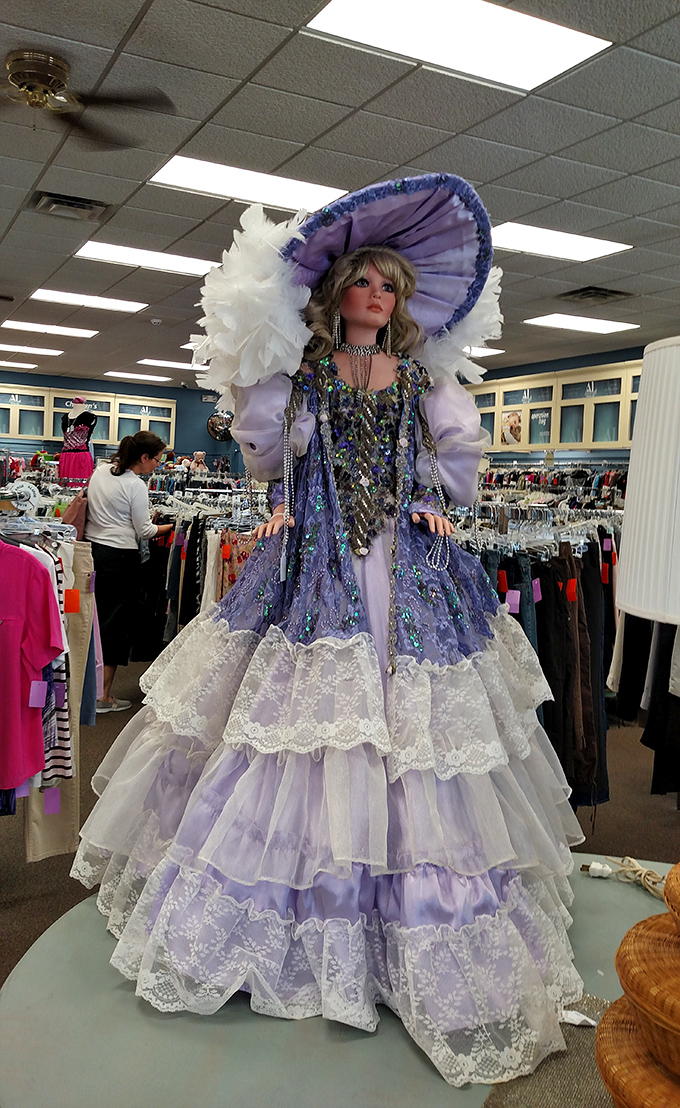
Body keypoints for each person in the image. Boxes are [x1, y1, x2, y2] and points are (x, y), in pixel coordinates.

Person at [71, 175, 584, 1086]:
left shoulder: (421, 377)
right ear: (337, 291)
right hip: (314, 555)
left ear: (400, 302)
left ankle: (413, 914)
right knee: (298, 717)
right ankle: (305, 903)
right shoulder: (300, 375)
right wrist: (273, 505)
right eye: (363, 283)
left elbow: (437, 460)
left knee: (418, 726)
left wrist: (430, 503)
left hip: (404, 556)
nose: (375, 299)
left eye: (389, 287)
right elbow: (277, 455)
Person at [84, 431, 173, 713]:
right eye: (157, 460)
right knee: (115, 624)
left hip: (93, 553)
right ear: (144, 457)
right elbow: (144, 531)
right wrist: (173, 527)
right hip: (121, 559)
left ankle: (89, 689)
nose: (157, 466)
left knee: (95, 619)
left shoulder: (99, 472)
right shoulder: (135, 485)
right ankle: (103, 696)